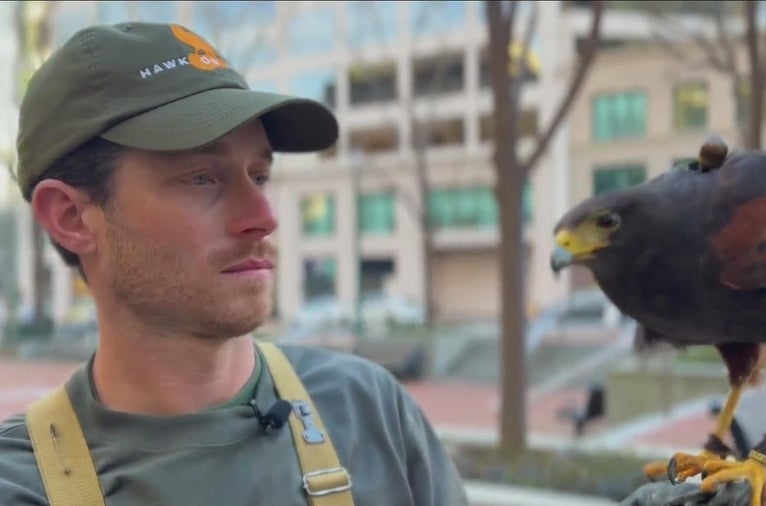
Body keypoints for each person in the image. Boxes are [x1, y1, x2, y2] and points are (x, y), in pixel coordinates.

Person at [0, 22, 468, 505]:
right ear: (72, 217)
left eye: (260, 176)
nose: (263, 218)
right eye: (202, 178)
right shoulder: (22, 485)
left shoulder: (369, 412)